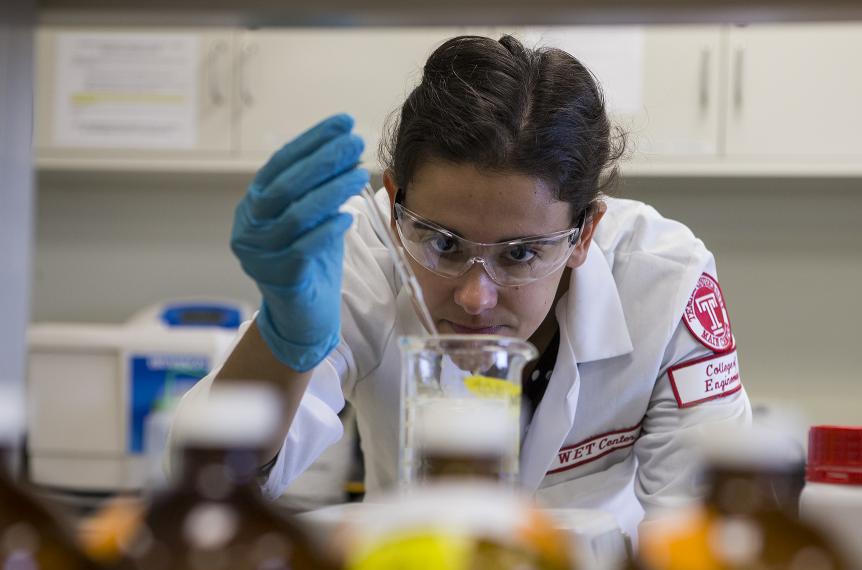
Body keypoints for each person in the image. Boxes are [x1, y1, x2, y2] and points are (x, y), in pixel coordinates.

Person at [174, 34, 750, 538]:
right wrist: (283, 337)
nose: (477, 297)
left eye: (521, 253)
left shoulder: (664, 282)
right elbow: (215, 481)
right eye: (444, 244)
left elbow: (711, 531)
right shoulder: (361, 252)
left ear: (583, 234)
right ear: (397, 203)